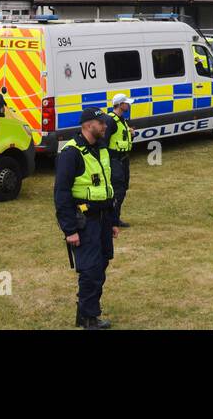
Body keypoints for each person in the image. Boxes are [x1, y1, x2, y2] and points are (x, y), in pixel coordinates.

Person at [55, 109, 121, 329]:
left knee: (101, 265)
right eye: (101, 123)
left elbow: (105, 188)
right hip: (84, 220)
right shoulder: (71, 153)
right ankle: (88, 318)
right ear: (87, 125)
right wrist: (69, 230)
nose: (105, 126)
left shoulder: (101, 149)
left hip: (102, 218)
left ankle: (85, 312)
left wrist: (112, 220)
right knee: (91, 270)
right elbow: (61, 194)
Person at [103, 95, 134, 228]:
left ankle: (115, 218)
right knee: (118, 190)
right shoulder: (110, 120)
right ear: (120, 104)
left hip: (123, 159)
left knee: (123, 188)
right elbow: (104, 141)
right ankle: (111, 220)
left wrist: (131, 134)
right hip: (114, 159)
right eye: (126, 103)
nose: (128, 105)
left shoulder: (121, 119)